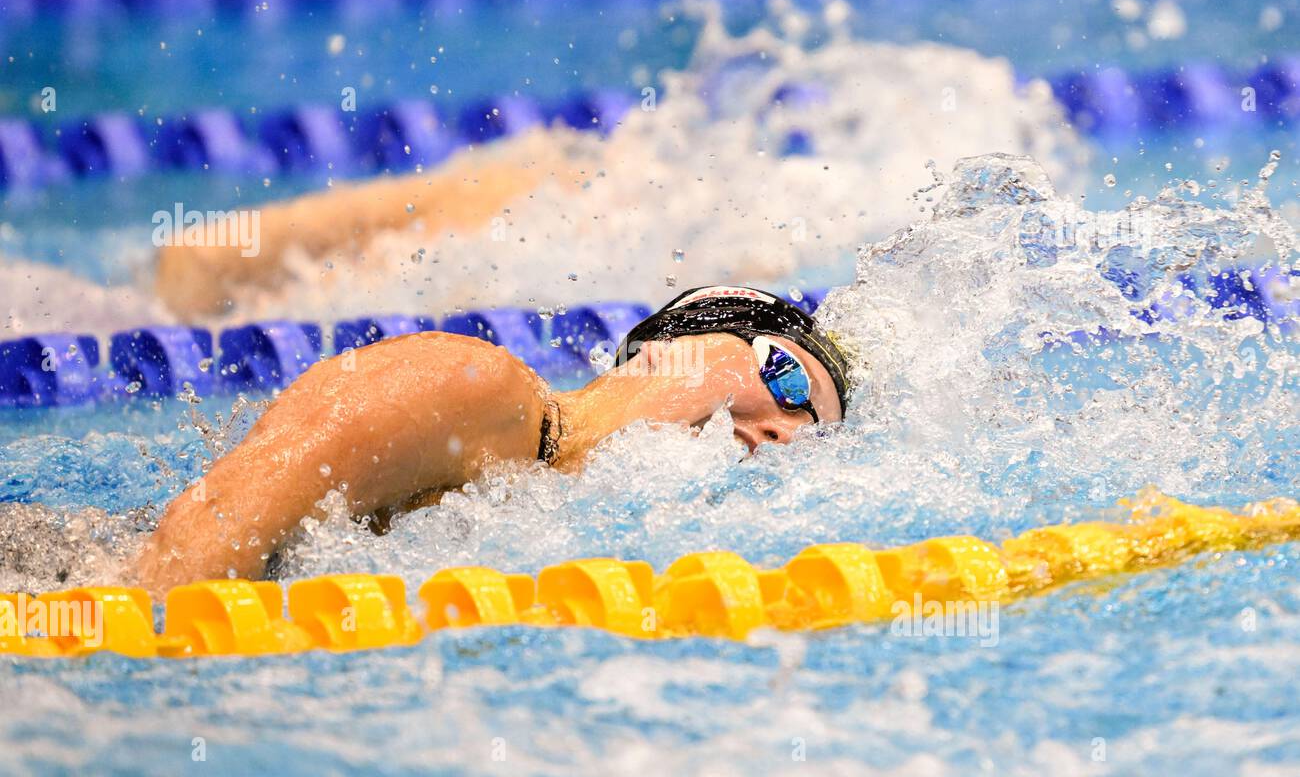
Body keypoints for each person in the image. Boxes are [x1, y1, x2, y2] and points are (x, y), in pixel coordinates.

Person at [135, 286, 852, 593]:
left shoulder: (572, 531)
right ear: (673, 348)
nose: (786, 433)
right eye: (790, 383)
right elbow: (195, 542)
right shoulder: (481, 387)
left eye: (810, 432)